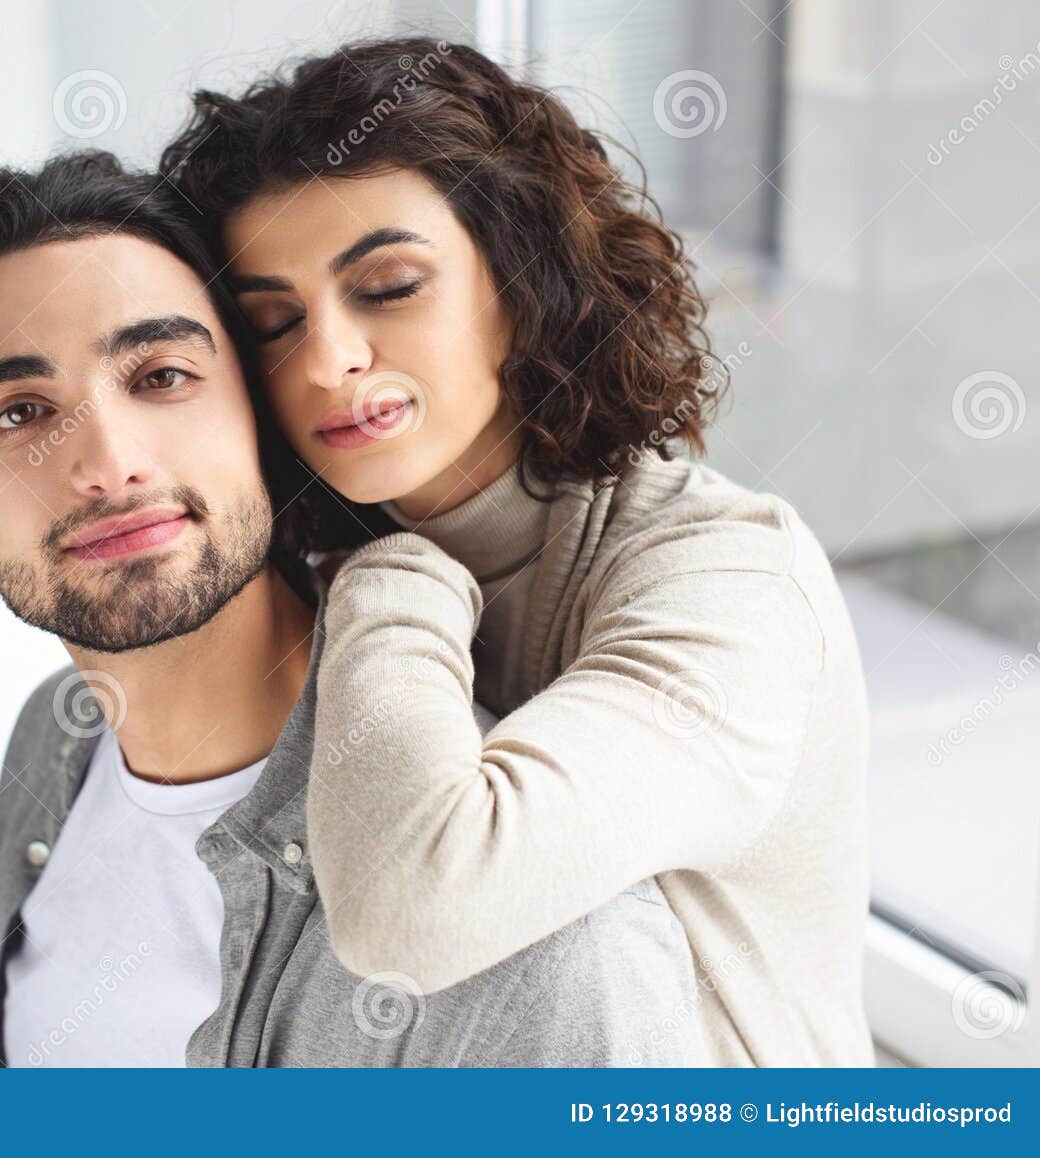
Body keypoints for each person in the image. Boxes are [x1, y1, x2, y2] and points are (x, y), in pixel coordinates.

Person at [0, 152, 701, 1067]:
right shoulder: (55, 740)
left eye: (161, 376)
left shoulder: (538, 952)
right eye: (20, 414)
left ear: (259, 413)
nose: (110, 463)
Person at [159, 37, 873, 1066]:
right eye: (272, 322)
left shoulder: (729, 576)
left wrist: (387, 577)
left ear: (521, 283)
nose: (327, 361)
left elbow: (414, 912)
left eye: (388, 286)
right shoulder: (309, 577)